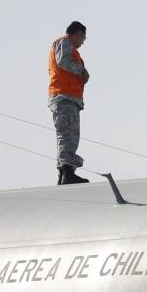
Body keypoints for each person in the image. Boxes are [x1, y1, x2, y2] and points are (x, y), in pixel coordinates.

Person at [48, 21, 90, 185]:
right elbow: (63, 61)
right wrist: (82, 71)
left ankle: (65, 173)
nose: (83, 41)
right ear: (77, 33)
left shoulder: (70, 48)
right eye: (83, 37)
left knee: (71, 137)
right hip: (63, 97)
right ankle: (66, 173)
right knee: (67, 136)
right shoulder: (64, 43)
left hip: (69, 99)